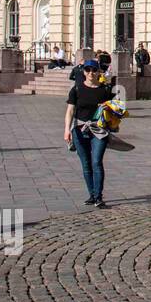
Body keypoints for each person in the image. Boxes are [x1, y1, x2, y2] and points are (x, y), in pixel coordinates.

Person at [63, 60, 115, 208]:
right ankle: (92, 195)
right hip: (80, 130)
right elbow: (70, 111)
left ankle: (98, 196)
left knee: (96, 162)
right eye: (87, 70)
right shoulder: (77, 89)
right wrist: (67, 129)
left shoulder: (105, 90)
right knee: (86, 164)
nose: (91, 73)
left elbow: (113, 110)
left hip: (99, 130)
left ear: (99, 72)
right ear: (83, 71)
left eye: (94, 70)